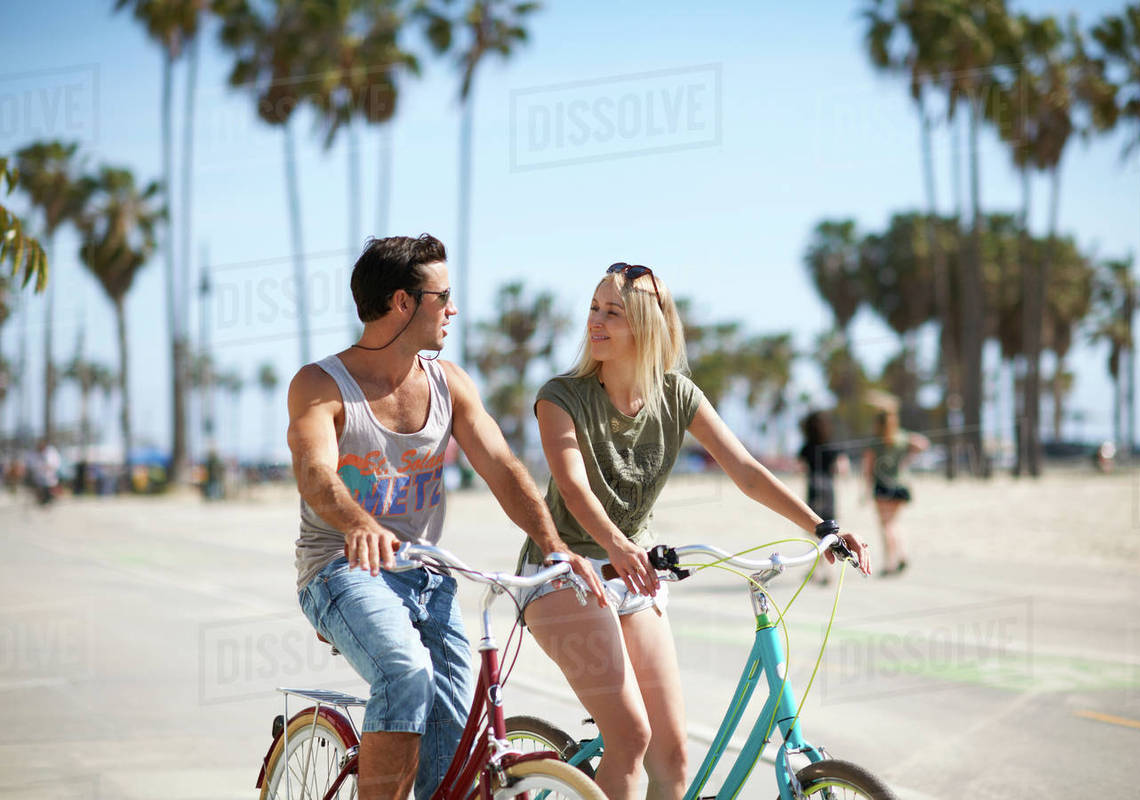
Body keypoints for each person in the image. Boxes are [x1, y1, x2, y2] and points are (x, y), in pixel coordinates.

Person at [516, 263, 872, 800]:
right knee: (631, 737)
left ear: (647, 326)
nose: (597, 321)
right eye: (594, 308)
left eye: (614, 312)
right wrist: (616, 543)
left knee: (674, 759)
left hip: (629, 575)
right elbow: (572, 487)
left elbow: (747, 470)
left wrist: (822, 527)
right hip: (561, 573)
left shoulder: (677, 395)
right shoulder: (561, 396)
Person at [286, 235, 604, 800]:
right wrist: (358, 522)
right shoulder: (319, 384)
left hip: (428, 579)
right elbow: (316, 472)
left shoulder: (448, 383)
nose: (453, 309)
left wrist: (553, 543)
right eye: (443, 296)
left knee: (459, 731)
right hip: (340, 571)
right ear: (403, 303)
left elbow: (503, 468)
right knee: (405, 672)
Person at [861, 408, 929, 575]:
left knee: (886, 525)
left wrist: (866, 491)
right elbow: (922, 443)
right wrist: (907, 458)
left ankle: (889, 563)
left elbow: (868, 469)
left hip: (883, 487)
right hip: (900, 485)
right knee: (895, 523)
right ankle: (903, 554)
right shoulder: (902, 437)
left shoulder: (875, 442)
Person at [797, 410, 848, 586]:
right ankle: (823, 572)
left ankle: (819, 572)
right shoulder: (832, 446)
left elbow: (801, 468)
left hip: (813, 491)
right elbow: (842, 468)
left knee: (816, 534)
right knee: (828, 534)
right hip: (828, 492)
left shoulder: (806, 447)